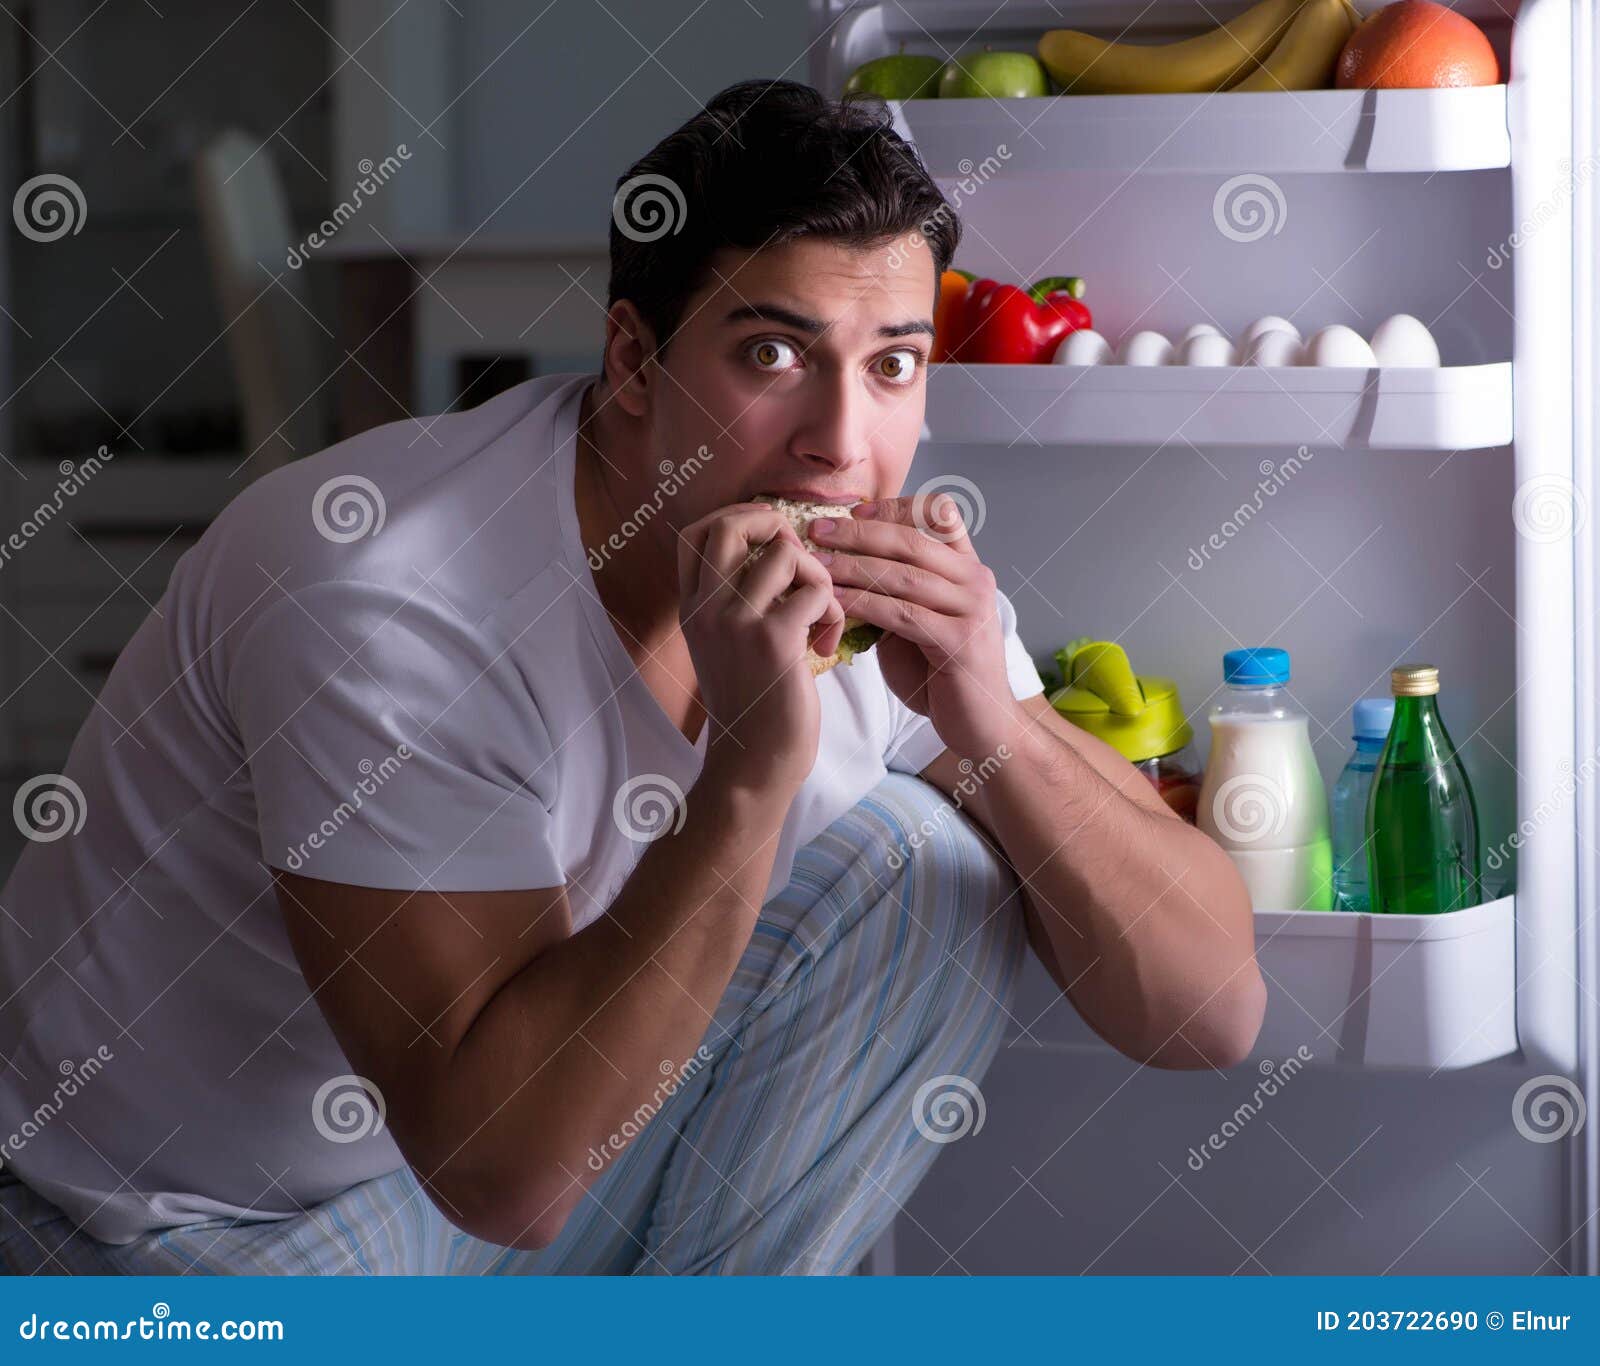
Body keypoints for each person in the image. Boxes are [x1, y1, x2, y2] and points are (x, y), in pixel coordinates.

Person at [0, 80, 1262, 1277]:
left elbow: (1213, 1019)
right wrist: (753, 768)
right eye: (772, 356)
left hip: (521, 1170)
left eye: (891, 364)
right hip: (211, 1230)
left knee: (928, 859)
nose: (840, 441)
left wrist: (994, 717)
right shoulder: (385, 598)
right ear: (631, 362)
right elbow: (500, 1177)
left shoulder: (852, 543)